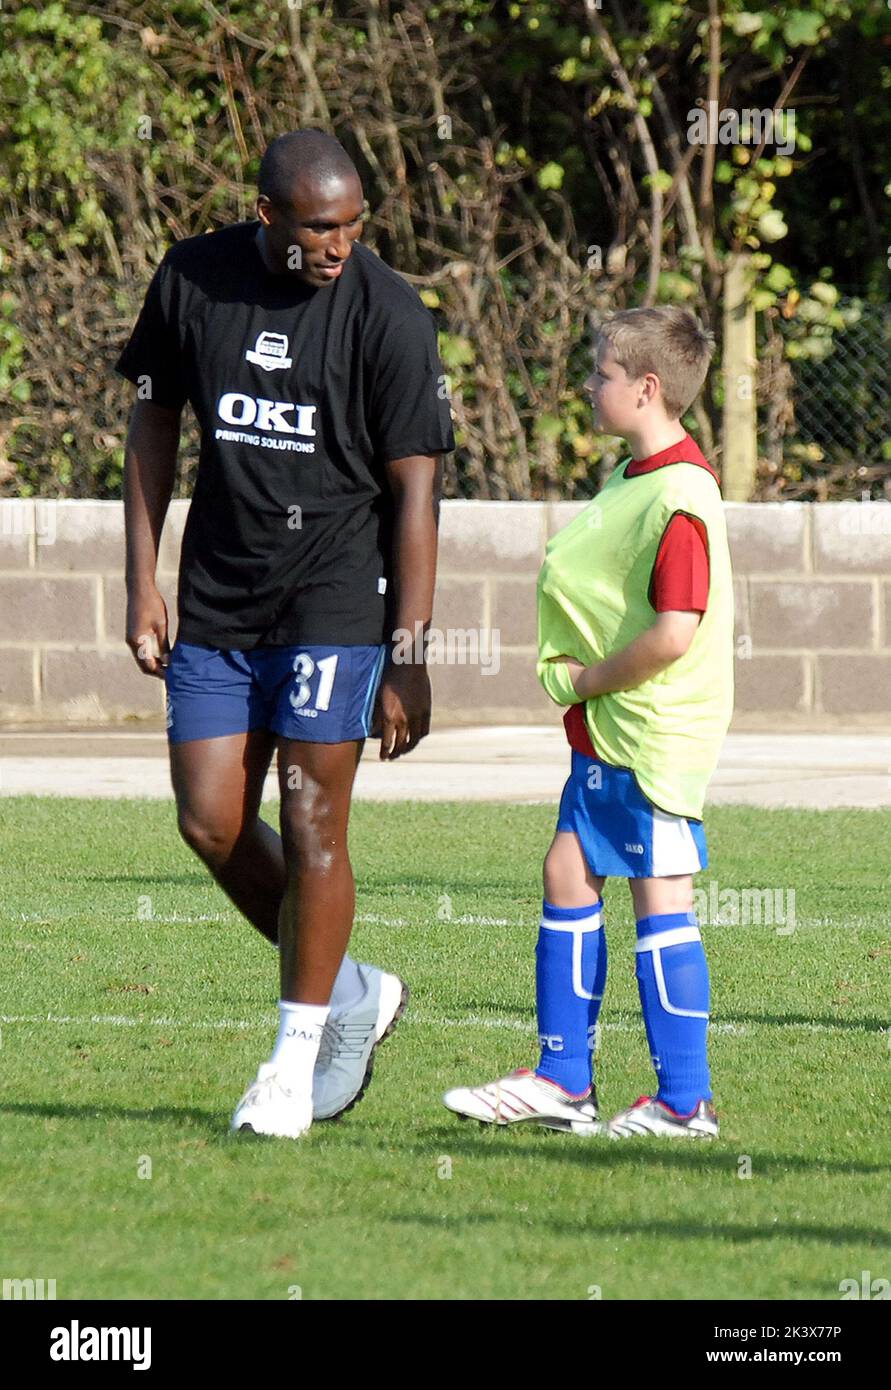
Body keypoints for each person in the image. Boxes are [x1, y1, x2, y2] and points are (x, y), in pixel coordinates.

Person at [117, 129, 454, 1139]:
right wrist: (144, 582)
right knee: (211, 820)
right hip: (219, 601)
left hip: (334, 606)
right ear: (267, 214)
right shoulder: (193, 279)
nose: (339, 243)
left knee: (313, 825)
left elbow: (417, 493)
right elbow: (150, 422)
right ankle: (351, 988)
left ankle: (293, 1057)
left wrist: (410, 651)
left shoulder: (388, 311)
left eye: (353, 224)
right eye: (319, 226)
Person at [443, 305, 733, 1138]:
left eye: (601, 374)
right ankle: (562, 1079)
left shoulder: (680, 492)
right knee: (566, 875)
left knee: (659, 900)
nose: (586, 384)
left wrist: (584, 682)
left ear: (646, 389)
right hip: (604, 735)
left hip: (647, 736)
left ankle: (685, 1101)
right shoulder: (631, 476)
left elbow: (675, 631)